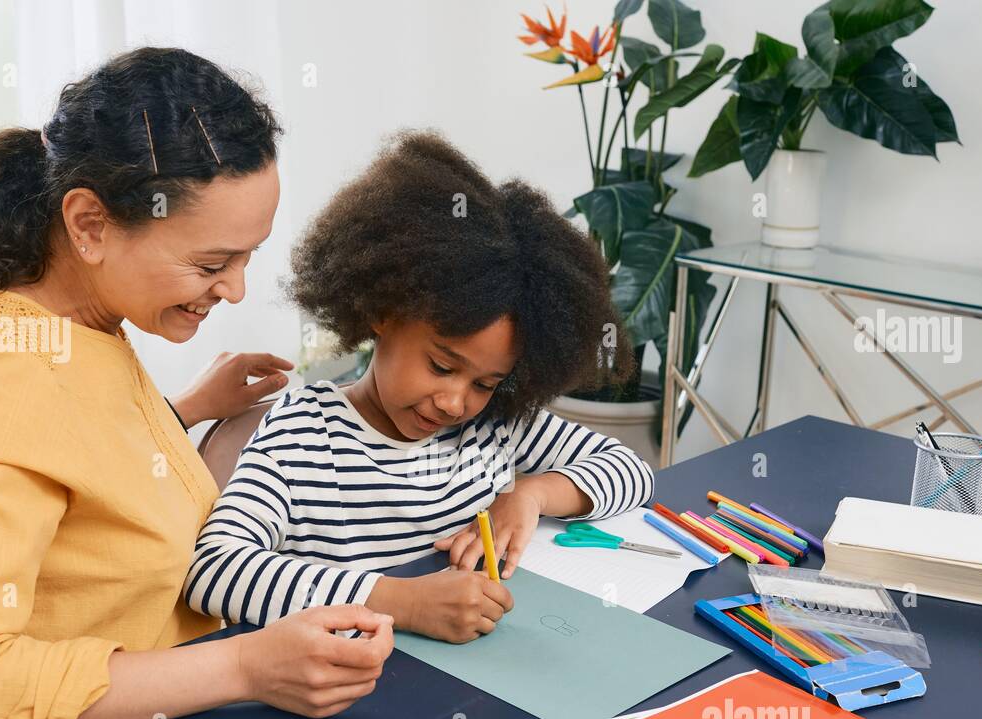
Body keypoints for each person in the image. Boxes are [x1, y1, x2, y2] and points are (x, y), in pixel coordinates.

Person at [0, 47, 392, 719]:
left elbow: (71, 467)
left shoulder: (68, 323)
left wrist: (181, 410)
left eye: (247, 256)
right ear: (90, 225)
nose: (235, 289)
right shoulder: (0, 381)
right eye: (212, 263)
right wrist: (245, 666)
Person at [184, 132, 654, 644]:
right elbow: (214, 571)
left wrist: (532, 494)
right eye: (441, 365)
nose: (455, 403)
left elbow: (631, 470)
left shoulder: (494, 423)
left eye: (486, 382)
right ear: (383, 313)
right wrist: (402, 602)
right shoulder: (302, 434)